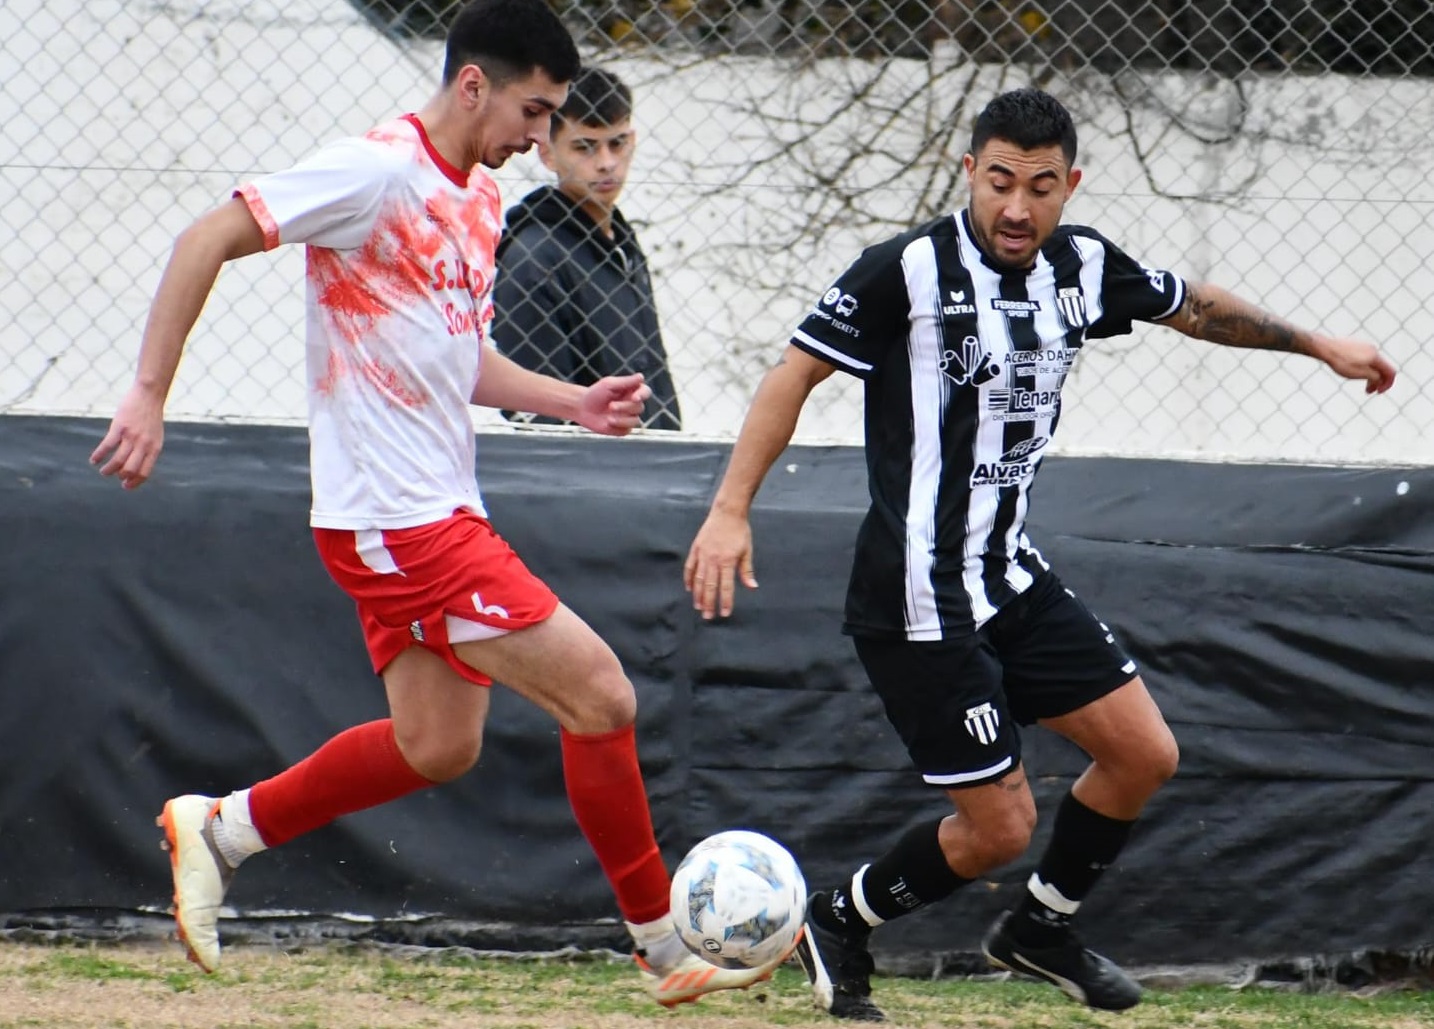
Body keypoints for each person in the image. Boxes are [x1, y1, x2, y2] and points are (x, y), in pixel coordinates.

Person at [89, 0, 779, 1007]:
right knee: (605, 696)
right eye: (535, 113)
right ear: (471, 86)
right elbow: (207, 237)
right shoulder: (375, 172)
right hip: (395, 522)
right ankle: (661, 945)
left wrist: (572, 401)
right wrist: (150, 393)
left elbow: (458, 360)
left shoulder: (478, 201)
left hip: (426, 512)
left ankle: (222, 828)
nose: (539, 139)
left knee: (438, 745)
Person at [683, 87, 1396, 1020]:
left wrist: (1321, 346)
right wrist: (730, 508)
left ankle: (1039, 928)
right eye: (1001, 181)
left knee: (1144, 753)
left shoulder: (1084, 265)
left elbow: (1195, 308)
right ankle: (841, 917)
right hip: (917, 591)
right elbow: (795, 371)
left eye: (1042, 186)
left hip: (1008, 573)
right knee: (1000, 826)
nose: (1018, 208)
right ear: (971, 171)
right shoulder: (903, 270)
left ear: (1071, 186)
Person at [492, 65, 681, 430]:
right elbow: (536, 414)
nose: (606, 163)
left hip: (657, 461)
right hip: (588, 472)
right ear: (547, 152)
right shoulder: (533, 258)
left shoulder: (619, 241)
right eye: (585, 147)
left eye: (618, 143)